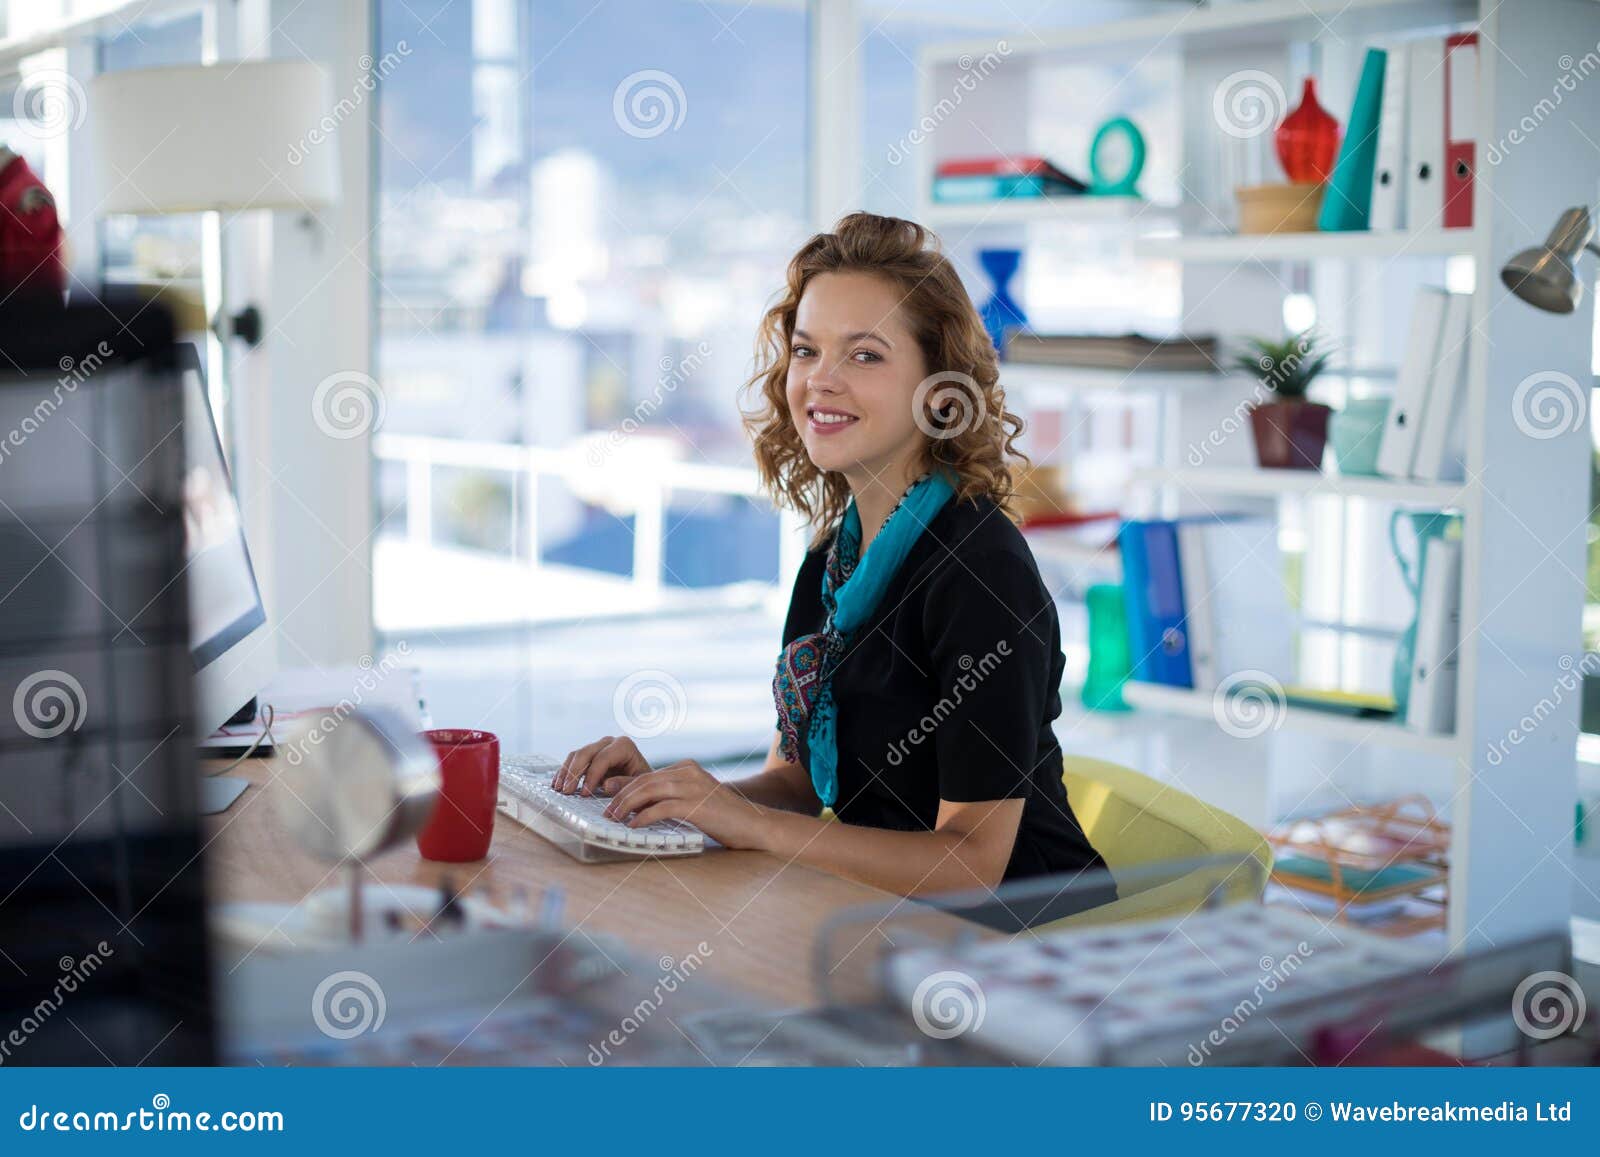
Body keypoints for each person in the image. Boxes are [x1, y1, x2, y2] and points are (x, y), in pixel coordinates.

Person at [555, 212, 1106, 915]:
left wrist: (751, 825)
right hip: (880, 914)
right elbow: (793, 786)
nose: (821, 380)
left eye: (865, 355)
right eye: (806, 350)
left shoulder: (981, 572)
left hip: (1025, 937)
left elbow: (971, 863)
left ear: (940, 389)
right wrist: (669, 794)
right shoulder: (832, 560)